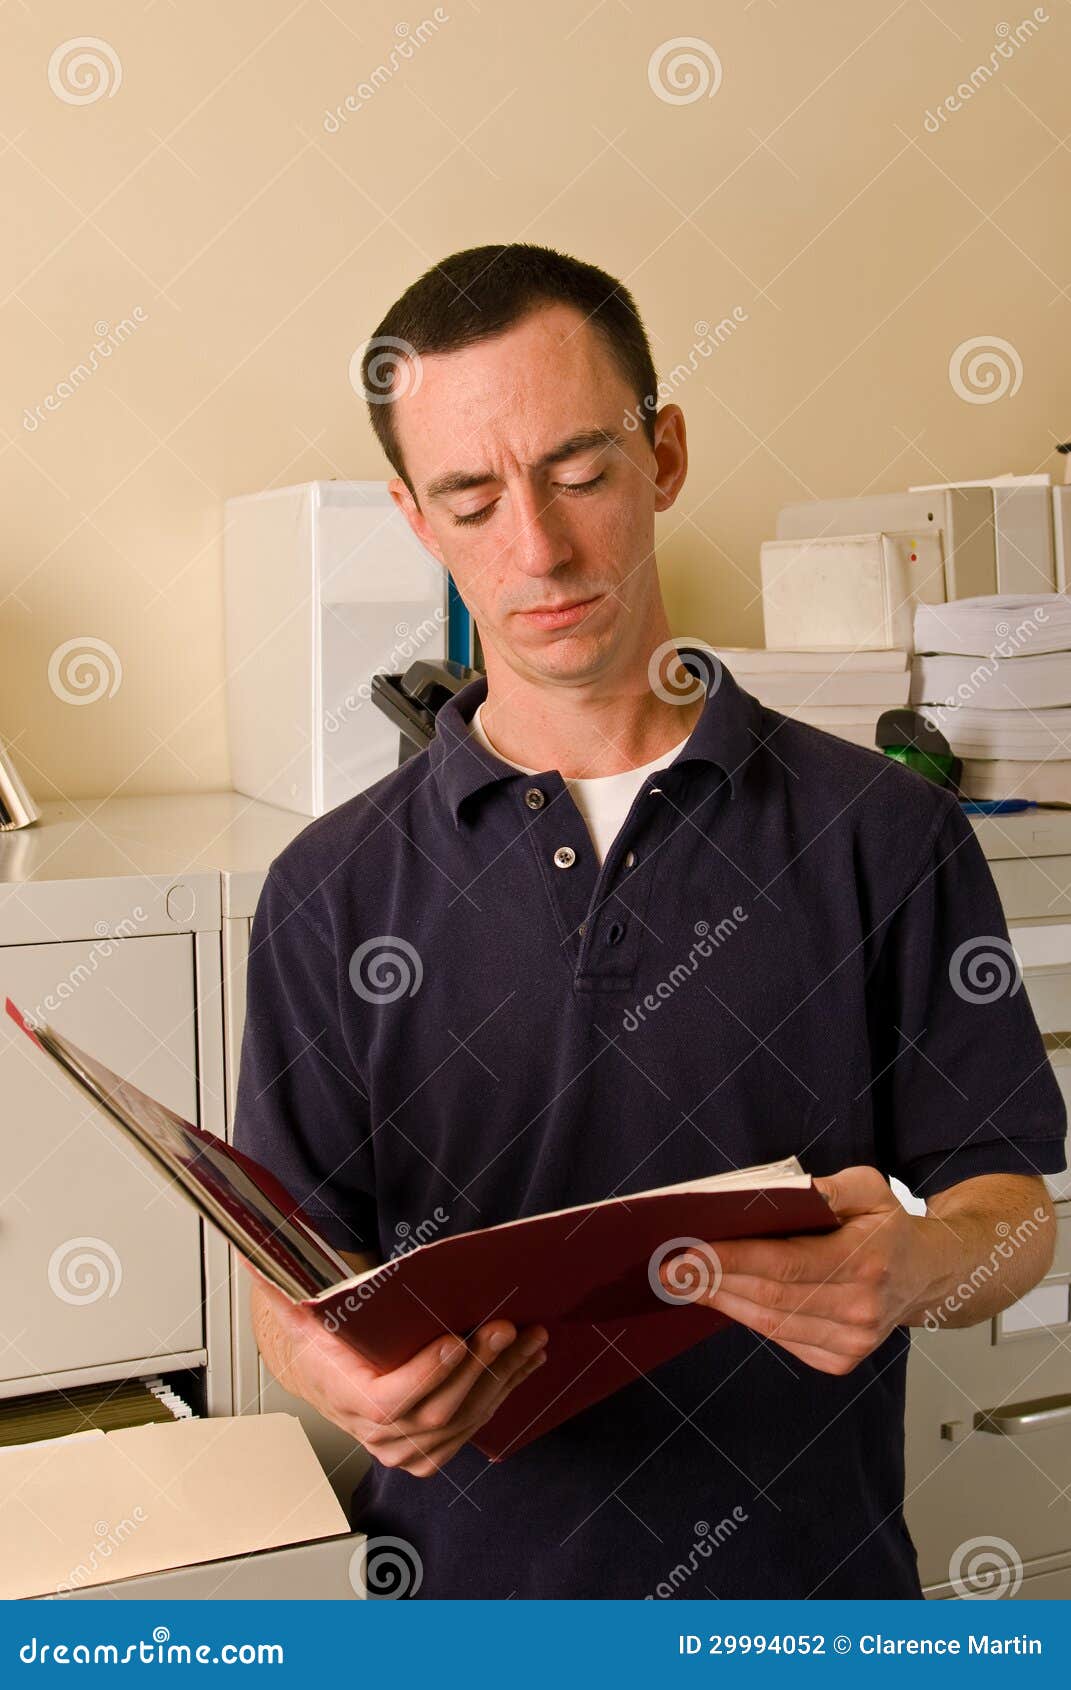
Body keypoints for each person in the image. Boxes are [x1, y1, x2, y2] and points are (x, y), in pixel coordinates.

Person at [231, 242, 1066, 1599]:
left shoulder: (884, 833)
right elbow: (297, 1277)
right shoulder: (330, 892)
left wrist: (919, 1263)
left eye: (579, 473)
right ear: (415, 518)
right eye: (472, 496)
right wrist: (326, 1366)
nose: (540, 548)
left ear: (663, 454)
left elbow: (1023, 1215)